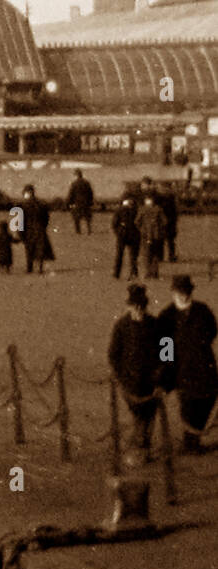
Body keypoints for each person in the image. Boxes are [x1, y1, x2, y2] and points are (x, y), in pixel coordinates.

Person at [158, 275, 218, 454]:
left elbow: (212, 331)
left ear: (190, 292)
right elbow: (165, 350)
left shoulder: (202, 310)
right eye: (179, 292)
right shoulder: (167, 316)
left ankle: (193, 439)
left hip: (204, 367)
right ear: (173, 293)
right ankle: (191, 443)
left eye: (186, 292)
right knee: (188, 406)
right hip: (182, 371)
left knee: (207, 400)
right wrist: (168, 374)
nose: (183, 296)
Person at [108, 284, 164, 464]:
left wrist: (162, 371)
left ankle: (142, 448)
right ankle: (141, 448)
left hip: (152, 381)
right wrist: (121, 377)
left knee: (148, 416)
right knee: (139, 415)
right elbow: (113, 354)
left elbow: (168, 349)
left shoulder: (155, 324)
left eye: (141, 306)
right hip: (130, 382)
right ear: (129, 306)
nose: (138, 309)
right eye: (135, 306)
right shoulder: (121, 326)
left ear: (145, 306)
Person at [18, 185, 51, 275]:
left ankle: (29, 268)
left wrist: (20, 233)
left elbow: (20, 221)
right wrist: (43, 227)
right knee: (40, 249)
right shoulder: (41, 204)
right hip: (40, 229)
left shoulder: (23, 205)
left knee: (29, 249)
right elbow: (46, 218)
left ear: (27, 193)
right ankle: (40, 267)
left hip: (28, 230)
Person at [138, 193, 167, 279]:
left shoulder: (142, 209)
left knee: (147, 255)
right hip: (156, 235)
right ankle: (155, 273)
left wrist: (142, 229)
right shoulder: (158, 209)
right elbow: (164, 221)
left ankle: (147, 273)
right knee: (155, 255)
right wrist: (159, 229)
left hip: (146, 235)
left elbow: (137, 221)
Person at [112, 195, 140, 280]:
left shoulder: (120, 210)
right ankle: (133, 273)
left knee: (121, 255)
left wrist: (118, 232)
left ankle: (117, 273)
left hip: (124, 234)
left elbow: (114, 223)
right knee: (132, 256)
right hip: (132, 234)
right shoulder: (136, 210)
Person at [67, 169, 94, 235]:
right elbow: (90, 193)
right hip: (86, 202)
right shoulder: (86, 183)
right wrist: (90, 201)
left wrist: (69, 203)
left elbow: (71, 194)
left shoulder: (74, 184)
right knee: (87, 218)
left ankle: (78, 231)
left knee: (76, 218)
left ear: (76, 175)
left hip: (77, 202)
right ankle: (89, 230)